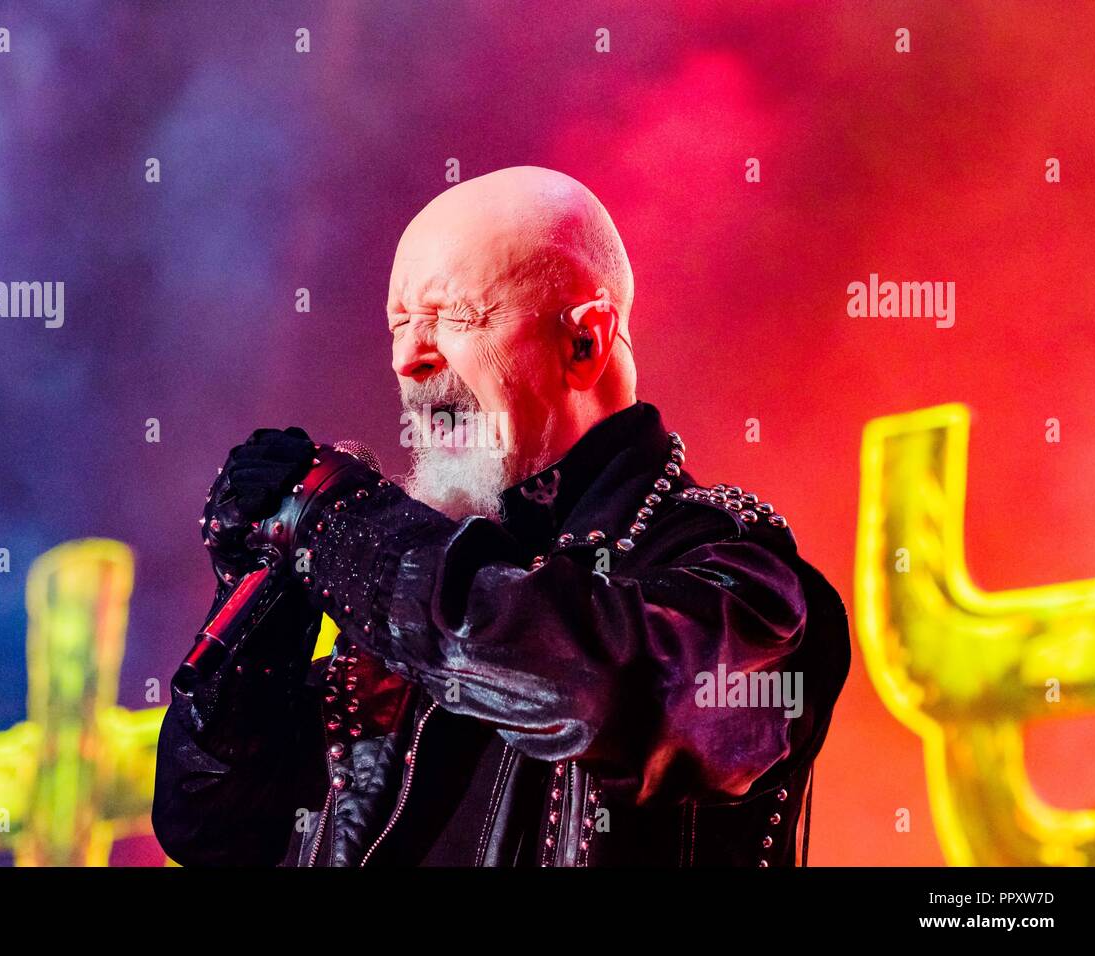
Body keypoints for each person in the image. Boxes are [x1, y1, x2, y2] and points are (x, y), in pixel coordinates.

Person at [152, 166, 850, 866]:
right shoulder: (410, 603)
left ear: (585, 341)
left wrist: (347, 536)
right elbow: (212, 829)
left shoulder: (749, 585)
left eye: (452, 316)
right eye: (399, 326)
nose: (408, 359)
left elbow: (611, 690)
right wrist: (267, 614)